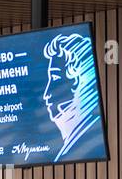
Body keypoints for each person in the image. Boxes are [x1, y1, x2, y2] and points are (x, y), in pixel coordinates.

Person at [42, 30, 103, 163]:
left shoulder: (85, 142)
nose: (46, 95)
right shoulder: (75, 147)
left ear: (80, 80)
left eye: (55, 78)